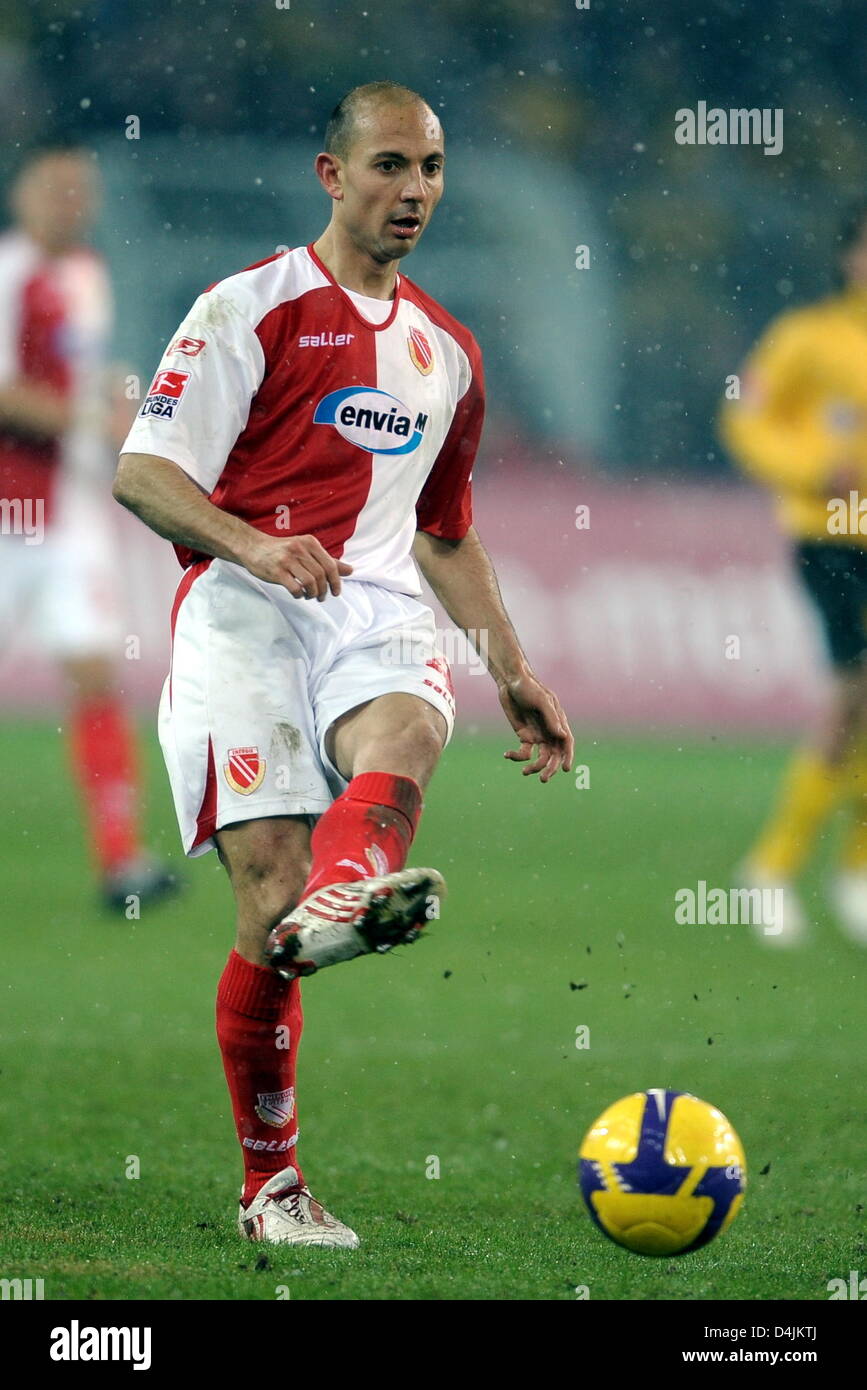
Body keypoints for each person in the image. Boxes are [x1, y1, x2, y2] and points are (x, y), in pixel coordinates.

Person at [114, 81, 574, 1248]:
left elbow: (447, 531)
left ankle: (349, 884)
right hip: (242, 611)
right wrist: (255, 541)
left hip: (371, 603)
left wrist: (513, 666)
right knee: (265, 901)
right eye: (386, 166)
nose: (412, 189)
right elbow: (145, 473)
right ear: (331, 175)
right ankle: (273, 1188)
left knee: (410, 728)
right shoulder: (246, 309)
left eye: (428, 167)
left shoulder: (448, 354)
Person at [0, 145, 179, 911]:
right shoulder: (8, 272)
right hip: (9, 512)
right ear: (23, 194)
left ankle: (122, 862)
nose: (71, 202)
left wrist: (116, 395)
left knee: (97, 675)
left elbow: (76, 380)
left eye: (82, 190)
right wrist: (96, 414)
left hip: (71, 513)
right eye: (56, 188)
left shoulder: (88, 275)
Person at [720, 198, 867, 947]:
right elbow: (746, 419)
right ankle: (772, 866)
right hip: (834, 538)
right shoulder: (807, 338)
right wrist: (813, 470)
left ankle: (853, 870)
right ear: (846, 256)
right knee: (852, 694)